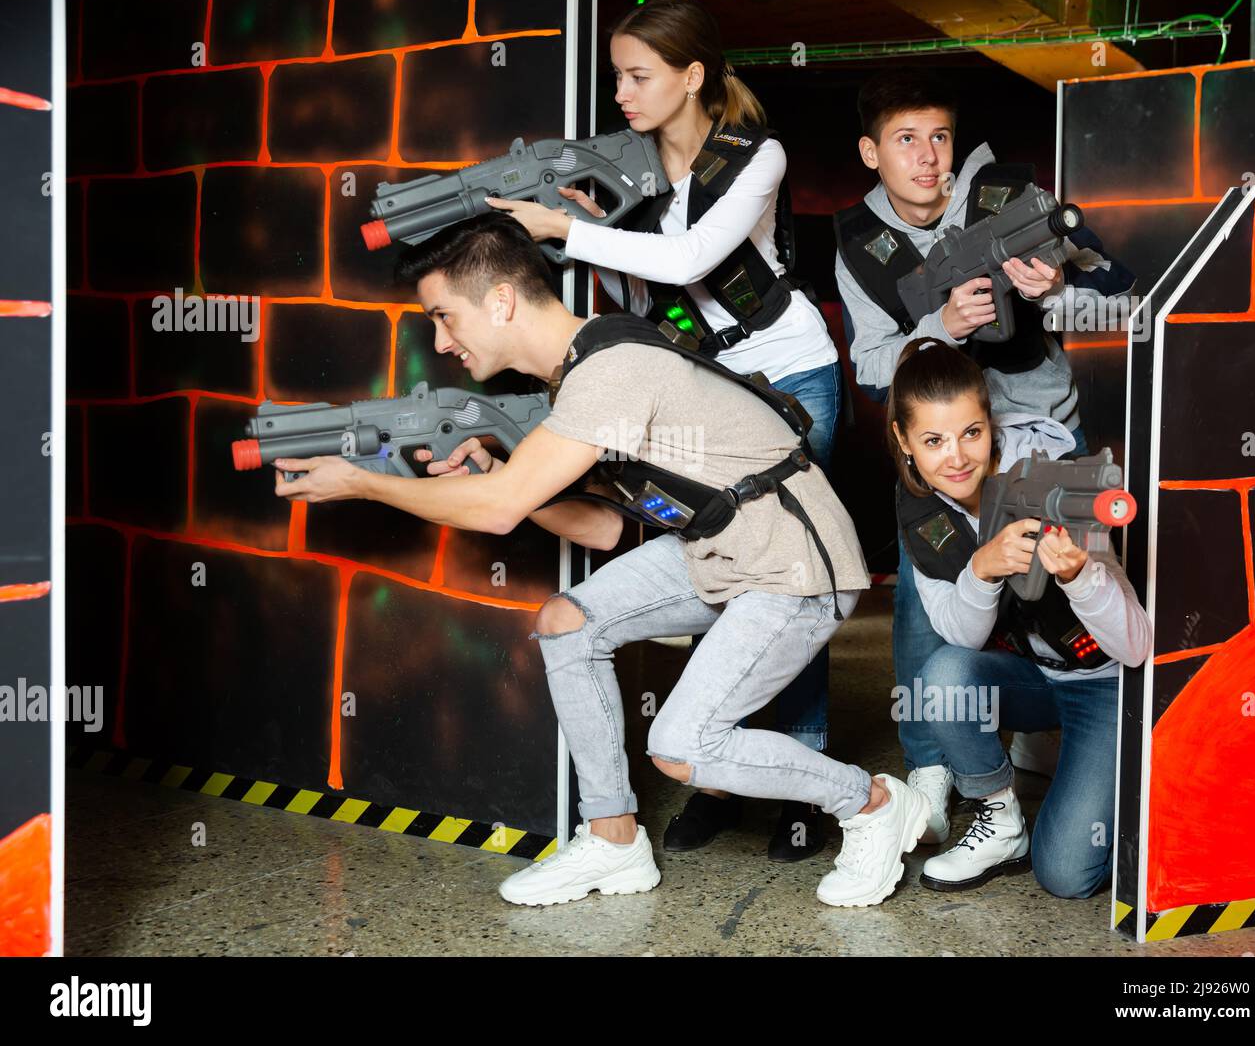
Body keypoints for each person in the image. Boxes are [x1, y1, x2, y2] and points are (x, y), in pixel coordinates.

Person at [269, 212, 931, 907]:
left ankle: (875, 804)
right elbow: (596, 530)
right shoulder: (584, 372)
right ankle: (614, 841)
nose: (441, 340)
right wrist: (501, 481)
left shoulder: (612, 369)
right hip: (719, 551)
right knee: (568, 620)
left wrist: (364, 482)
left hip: (794, 564)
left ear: (500, 301)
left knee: (684, 747)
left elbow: (497, 510)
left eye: (443, 316)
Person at [487, 0, 843, 861]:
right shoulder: (634, 171)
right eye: (616, 76)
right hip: (705, 384)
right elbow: (644, 303)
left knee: (785, 578)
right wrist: (598, 231)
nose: (621, 92)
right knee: (715, 567)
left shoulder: (755, 154)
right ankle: (719, 775)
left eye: (638, 76)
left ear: (693, 78)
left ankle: (808, 785)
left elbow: (690, 261)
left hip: (789, 371)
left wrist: (567, 231)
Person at [833, 73, 1135, 840]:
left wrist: (1054, 291)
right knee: (924, 602)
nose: (928, 159)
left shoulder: (1008, 195)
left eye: (939, 137)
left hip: (1039, 439)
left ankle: (1065, 722)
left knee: (1066, 574)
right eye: (906, 141)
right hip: (947, 458)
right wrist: (938, 325)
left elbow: (1124, 297)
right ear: (872, 153)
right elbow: (872, 364)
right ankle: (935, 773)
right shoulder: (857, 246)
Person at [887, 337, 1151, 895]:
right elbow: (960, 637)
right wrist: (981, 570)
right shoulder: (920, 508)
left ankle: (1129, 777)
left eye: (972, 433)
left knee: (1066, 875)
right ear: (904, 441)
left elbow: (1135, 646)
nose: (956, 457)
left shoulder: (1048, 482)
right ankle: (1001, 818)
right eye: (933, 440)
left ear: (992, 426)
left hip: (1104, 686)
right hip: (1030, 678)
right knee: (943, 676)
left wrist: (1083, 577)